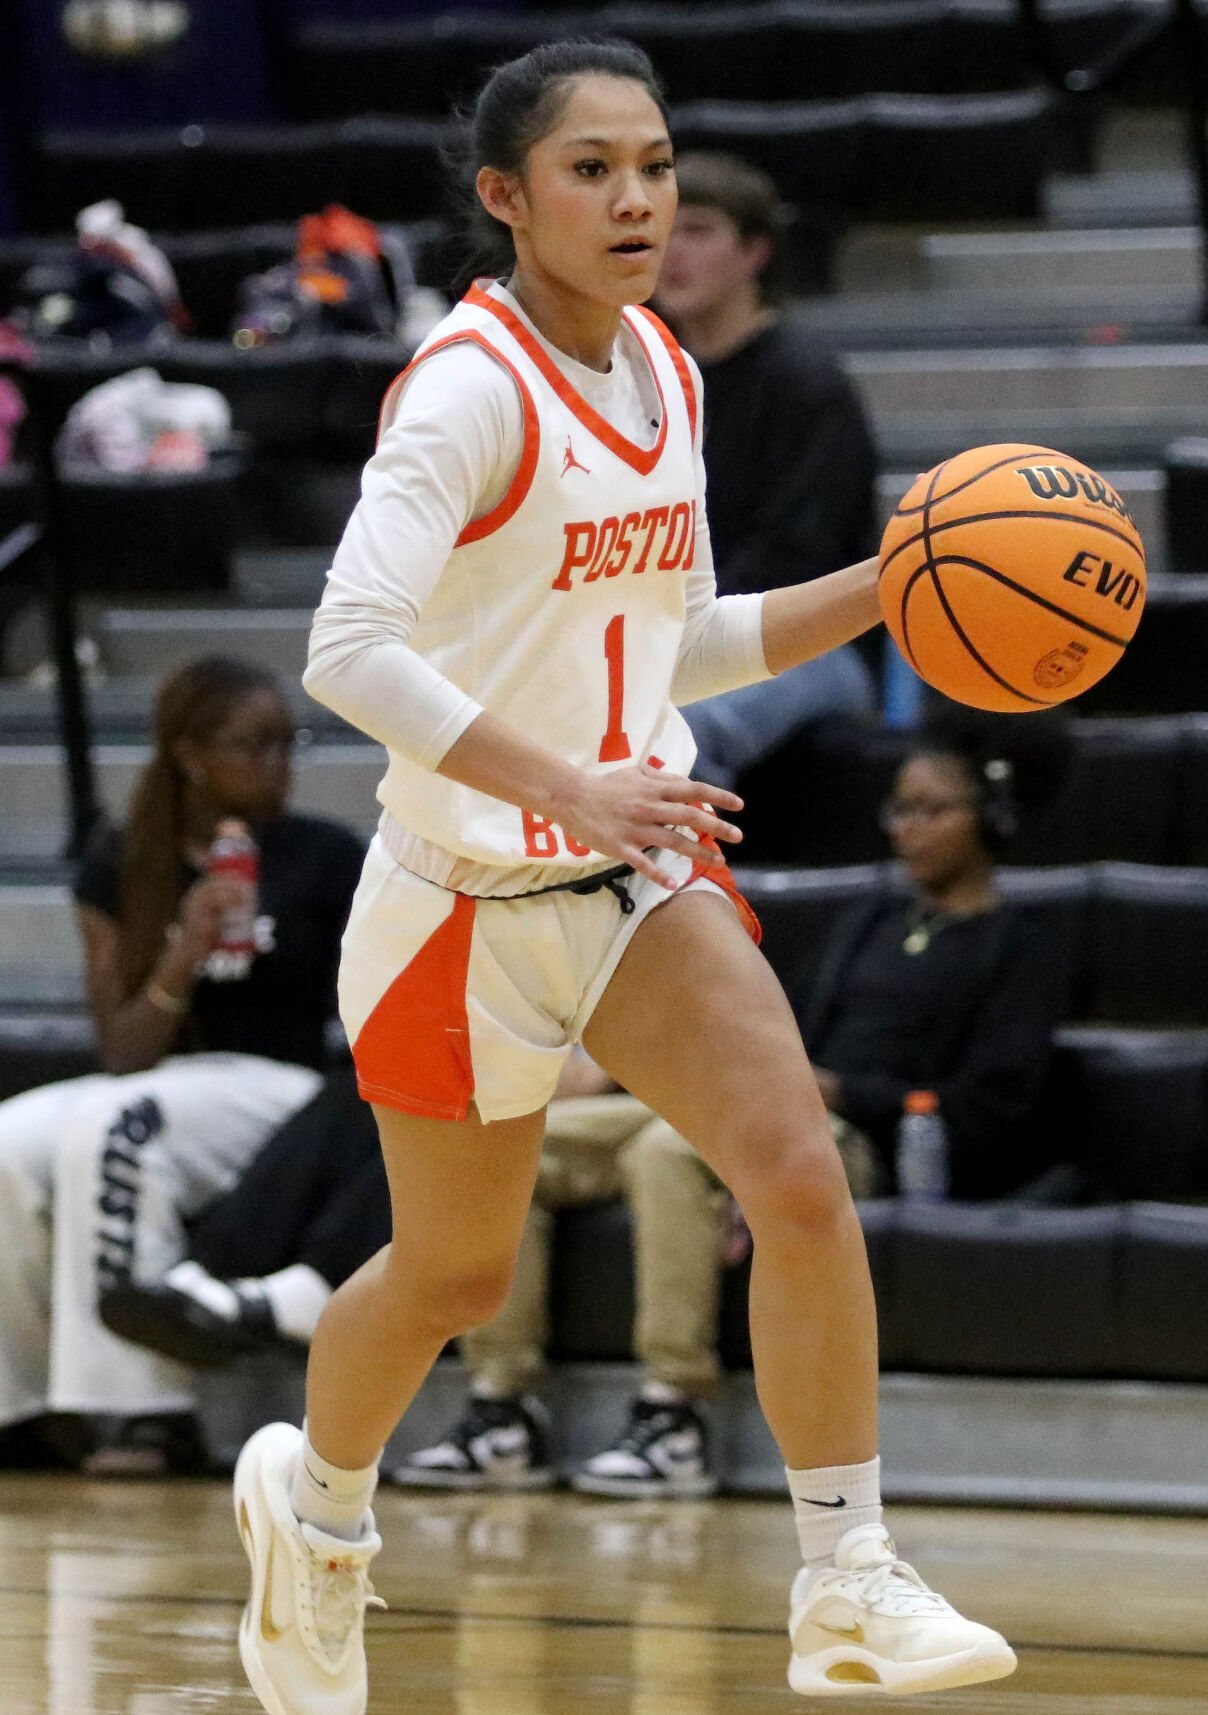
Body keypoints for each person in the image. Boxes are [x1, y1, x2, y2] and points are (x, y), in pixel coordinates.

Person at [232, 40, 1017, 1715]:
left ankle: (845, 1584)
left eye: (653, 164)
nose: (637, 198)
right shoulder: (466, 387)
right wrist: (568, 782)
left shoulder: (664, 362)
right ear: (506, 200)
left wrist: (887, 583)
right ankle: (315, 1517)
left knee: (796, 1174)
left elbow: (682, 635)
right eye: (590, 169)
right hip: (453, 897)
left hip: (626, 875)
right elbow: (346, 650)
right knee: (453, 1277)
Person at [0, 656, 364, 1476]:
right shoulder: (125, 862)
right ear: (193, 756)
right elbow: (124, 1050)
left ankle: (146, 1410)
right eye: (256, 745)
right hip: (166, 1080)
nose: (279, 763)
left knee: (112, 1124)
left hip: (281, 1090)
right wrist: (184, 951)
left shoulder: (323, 855)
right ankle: (20, 1410)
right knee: (8, 1141)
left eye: (287, 742)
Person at [653, 151, 879, 791]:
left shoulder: (809, 386)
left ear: (755, 252)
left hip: (813, 643)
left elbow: (798, 559)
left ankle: (695, 890)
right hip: (682, 637)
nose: (673, 253)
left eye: (697, 231)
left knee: (671, 737)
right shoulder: (645, 381)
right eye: (664, 231)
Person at [795, 715, 1073, 1200]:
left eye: (928, 810)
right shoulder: (867, 923)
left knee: (664, 1153)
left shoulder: (1019, 948)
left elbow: (989, 1110)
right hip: (789, 1119)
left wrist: (844, 1094)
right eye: (899, 810)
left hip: (880, 1152)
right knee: (644, 1134)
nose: (906, 829)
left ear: (991, 815)